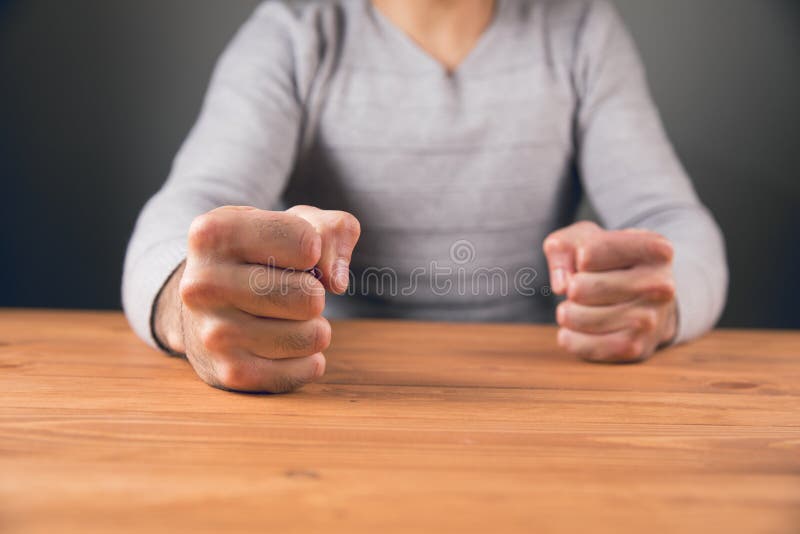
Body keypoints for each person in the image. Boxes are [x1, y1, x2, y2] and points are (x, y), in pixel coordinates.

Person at [123, 0, 727, 393]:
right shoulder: (295, 33)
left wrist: (658, 301)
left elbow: (674, 223)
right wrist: (188, 303)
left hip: (541, 391)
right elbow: (188, 208)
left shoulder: (580, 32)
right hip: (338, 387)